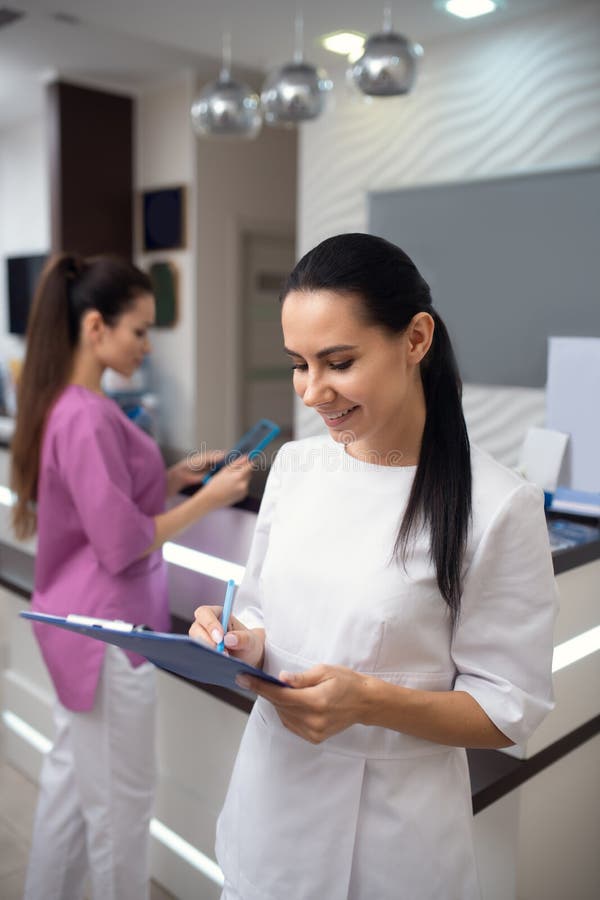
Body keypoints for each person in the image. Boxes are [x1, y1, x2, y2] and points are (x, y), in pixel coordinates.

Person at [190, 233, 558, 900]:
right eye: (299, 365)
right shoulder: (296, 467)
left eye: (339, 362)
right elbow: (264, 611)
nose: (313, 392)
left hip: (395, 845)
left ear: (415, 339)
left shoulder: (498, 505)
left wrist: (370, 703)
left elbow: (507, 710)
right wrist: (238, 636)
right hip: (269, 817)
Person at [11, 253, 253, 900]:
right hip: (108, 637)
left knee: (69, 794)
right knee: (121, 813)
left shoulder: (73, 405)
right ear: (96, 327)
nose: (147, 346)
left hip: (81, 627)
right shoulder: (87, 415)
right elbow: (120, 543)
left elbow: (108, 503)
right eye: (140, 330)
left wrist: (174, 479)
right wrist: (209, 499)